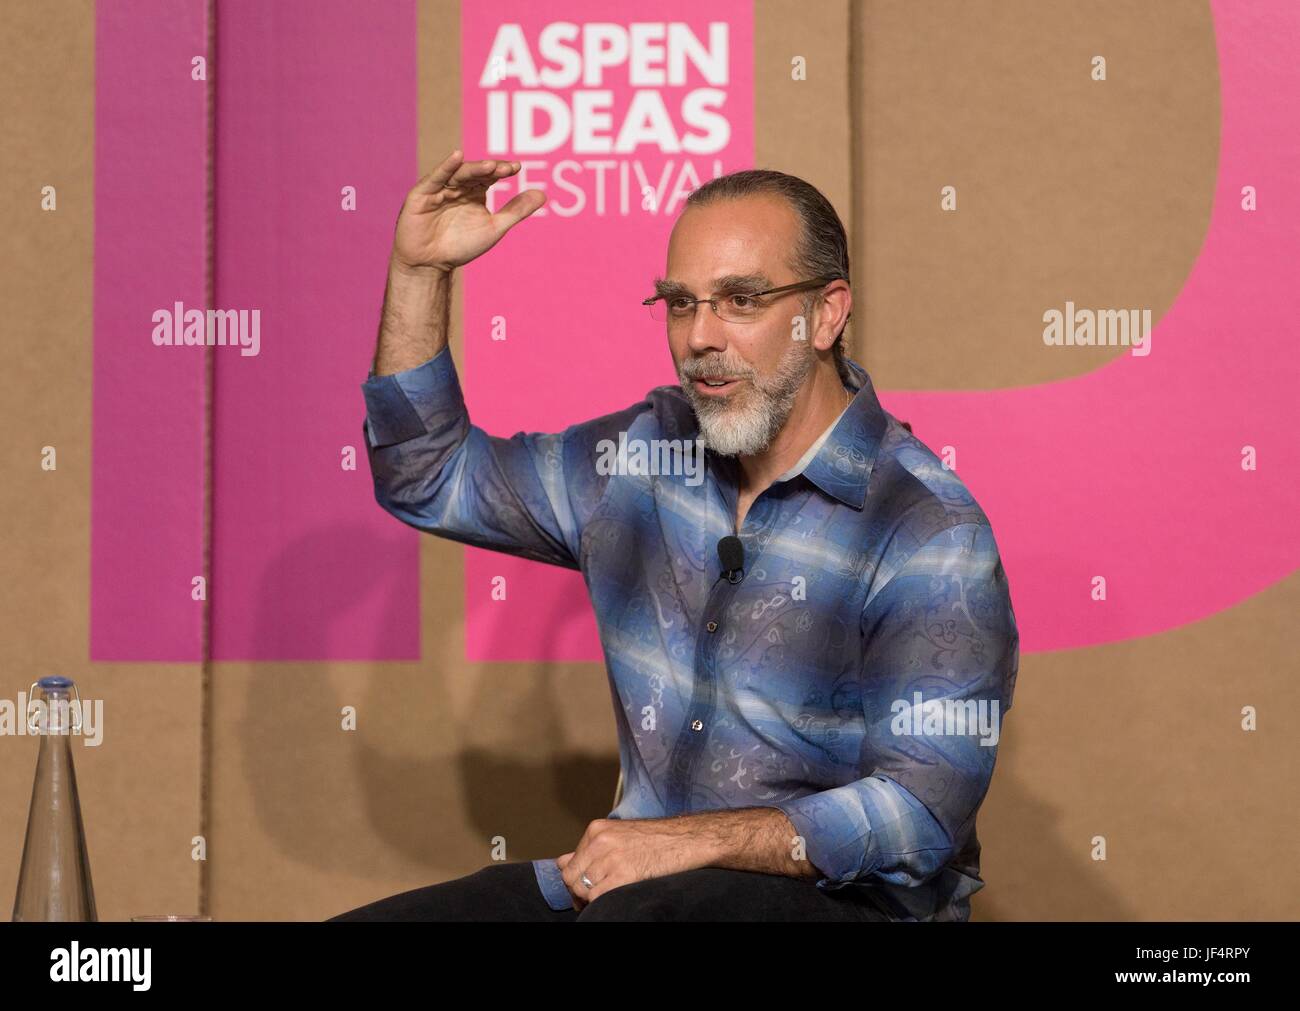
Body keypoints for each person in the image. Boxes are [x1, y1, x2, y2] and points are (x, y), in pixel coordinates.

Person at [330, 150, 1019, 922]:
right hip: (634, 885)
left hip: (840, 908)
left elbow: (920, 815)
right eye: (680, 303)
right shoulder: (644, 456)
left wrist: (696, 842)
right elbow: (430, 477)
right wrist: (420, 275)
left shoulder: (927, 529)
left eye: (741, 301)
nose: (699, 336)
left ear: (826, 313)